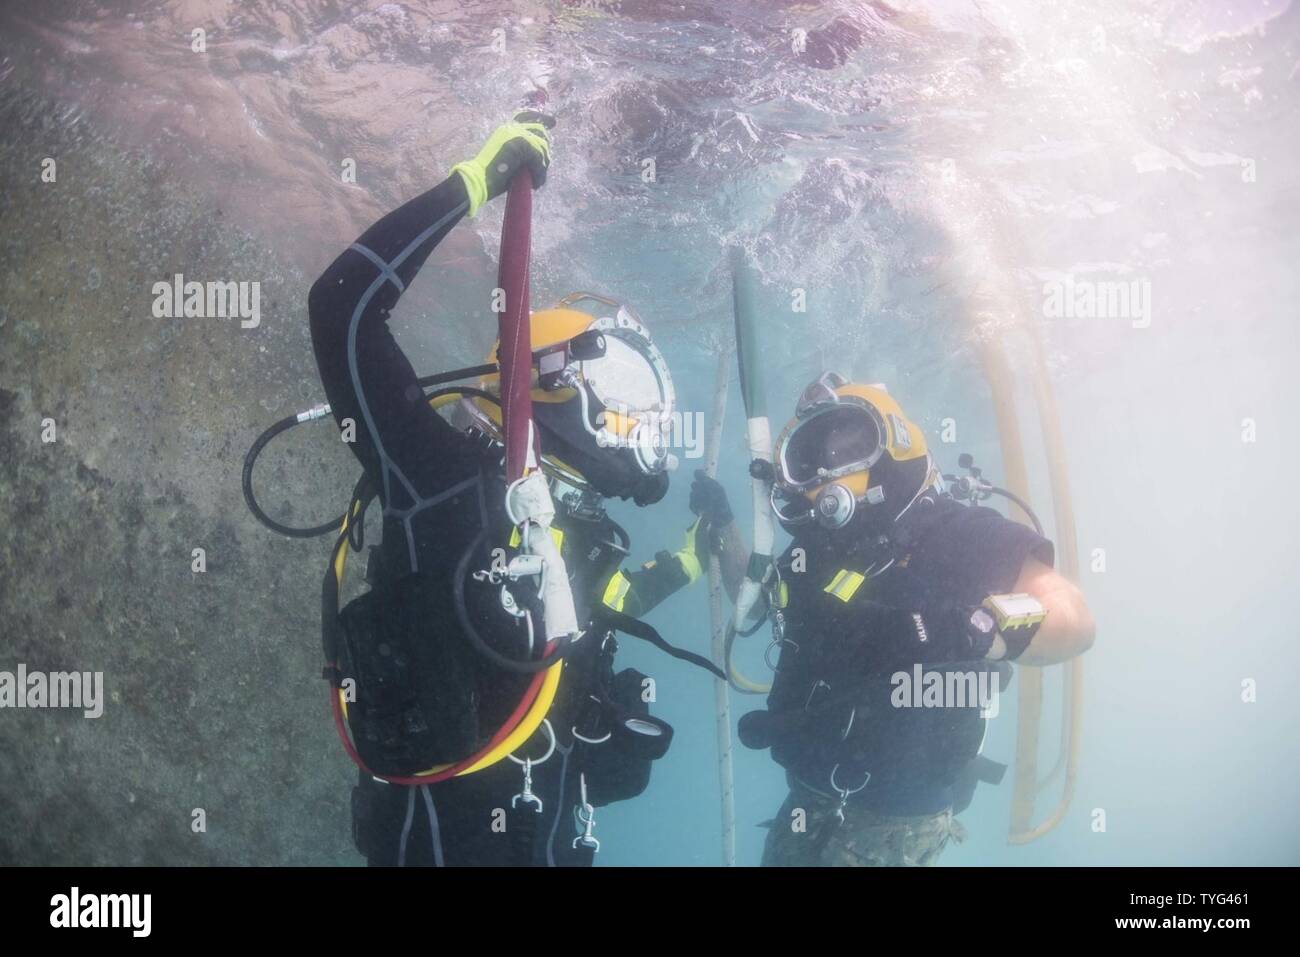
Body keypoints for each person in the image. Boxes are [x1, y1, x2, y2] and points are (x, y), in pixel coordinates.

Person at [307, 113, 714, 866]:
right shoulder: (436, 475)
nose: (644, 421)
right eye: (629, 387)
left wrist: (609, 729)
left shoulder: (580, 533)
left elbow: (561, 674)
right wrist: (475, 181)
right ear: (557, 380)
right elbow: (341, 311)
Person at [708, 372, 1095, 866]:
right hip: (806, 803)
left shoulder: (963, 534)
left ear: (896, 440)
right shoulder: (820, 550)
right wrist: (721, 526)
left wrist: (968, 630)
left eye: (849, 443)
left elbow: (1073, 619)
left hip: (899, 825)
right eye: (810, 459)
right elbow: (754, 606)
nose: (828, 471)